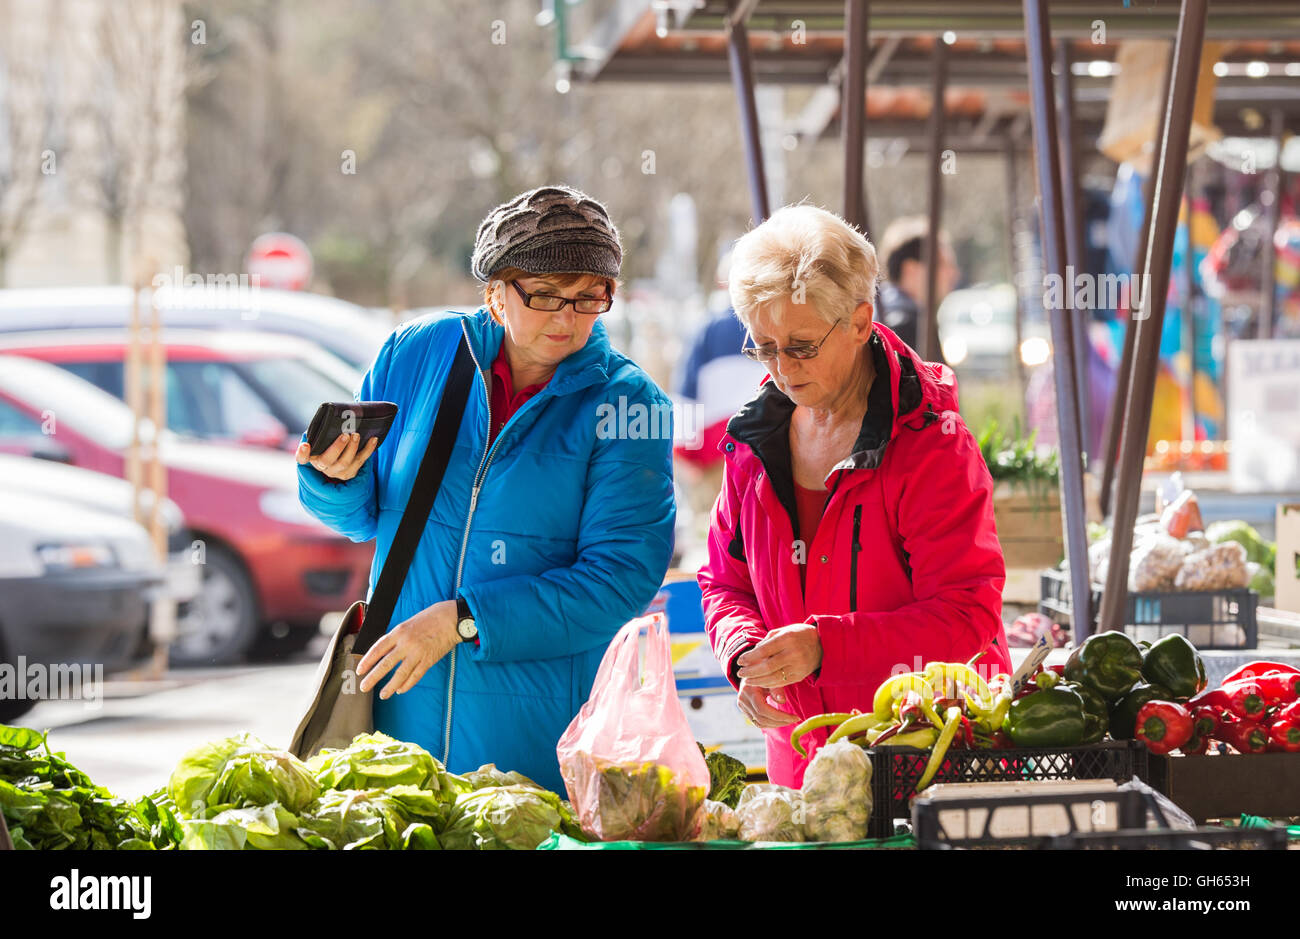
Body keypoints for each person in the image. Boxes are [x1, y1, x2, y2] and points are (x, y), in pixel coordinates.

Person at [295, 185, 676, 791]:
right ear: (495, 293)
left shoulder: (630, 404)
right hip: (399, 719)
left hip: (535, 735)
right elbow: (360, 516)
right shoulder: (416, 353)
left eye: (588, 299)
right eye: (545, 296)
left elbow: (619, 577)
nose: (567, 318)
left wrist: (463, 619)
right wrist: (330, 478)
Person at [697, 203, 1011, 788]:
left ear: (862, 320)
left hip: (927, 762)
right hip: (805, 767)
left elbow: (968, 614)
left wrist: (827, 647)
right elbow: (724, 580)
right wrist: (743, 652)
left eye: (802, 345)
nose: (782, 370)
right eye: (763, 347)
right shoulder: (753, 439)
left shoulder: (931, 445)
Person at [875, 215, 959, 362]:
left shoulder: (886, 315)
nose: (953, 273)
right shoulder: (904, 328)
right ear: (911, 270)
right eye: (942, 264)